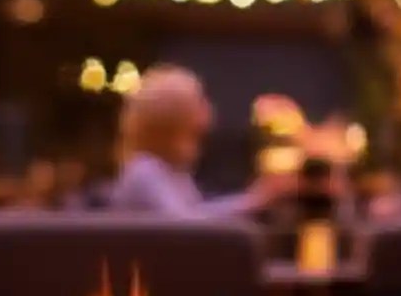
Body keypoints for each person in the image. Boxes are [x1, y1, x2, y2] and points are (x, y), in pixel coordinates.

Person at [109, 65, 298, 218]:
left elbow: (197, 214)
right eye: (199, 102)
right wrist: (254, 200)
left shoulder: (172, 171)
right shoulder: (145, 171)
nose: (208, 111)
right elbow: (186, 229)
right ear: (173, 118)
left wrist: (257, 198)